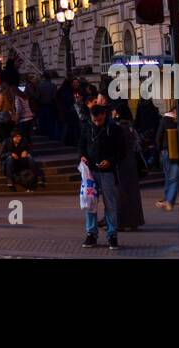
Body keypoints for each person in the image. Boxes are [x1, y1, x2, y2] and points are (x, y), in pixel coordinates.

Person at [80, 101, 125, 249]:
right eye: (95, 120)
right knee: (90, 203)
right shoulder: (87, 128)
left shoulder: (114, 129)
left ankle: (112, 235)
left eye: (100, 120)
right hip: (90, 171)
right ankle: (91, 234)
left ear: (104, 115)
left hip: (107, 172)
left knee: (110, 204)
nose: (97, 123)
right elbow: (81, 146)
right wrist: (82, 157)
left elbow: (121, 151)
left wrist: (110, 161)